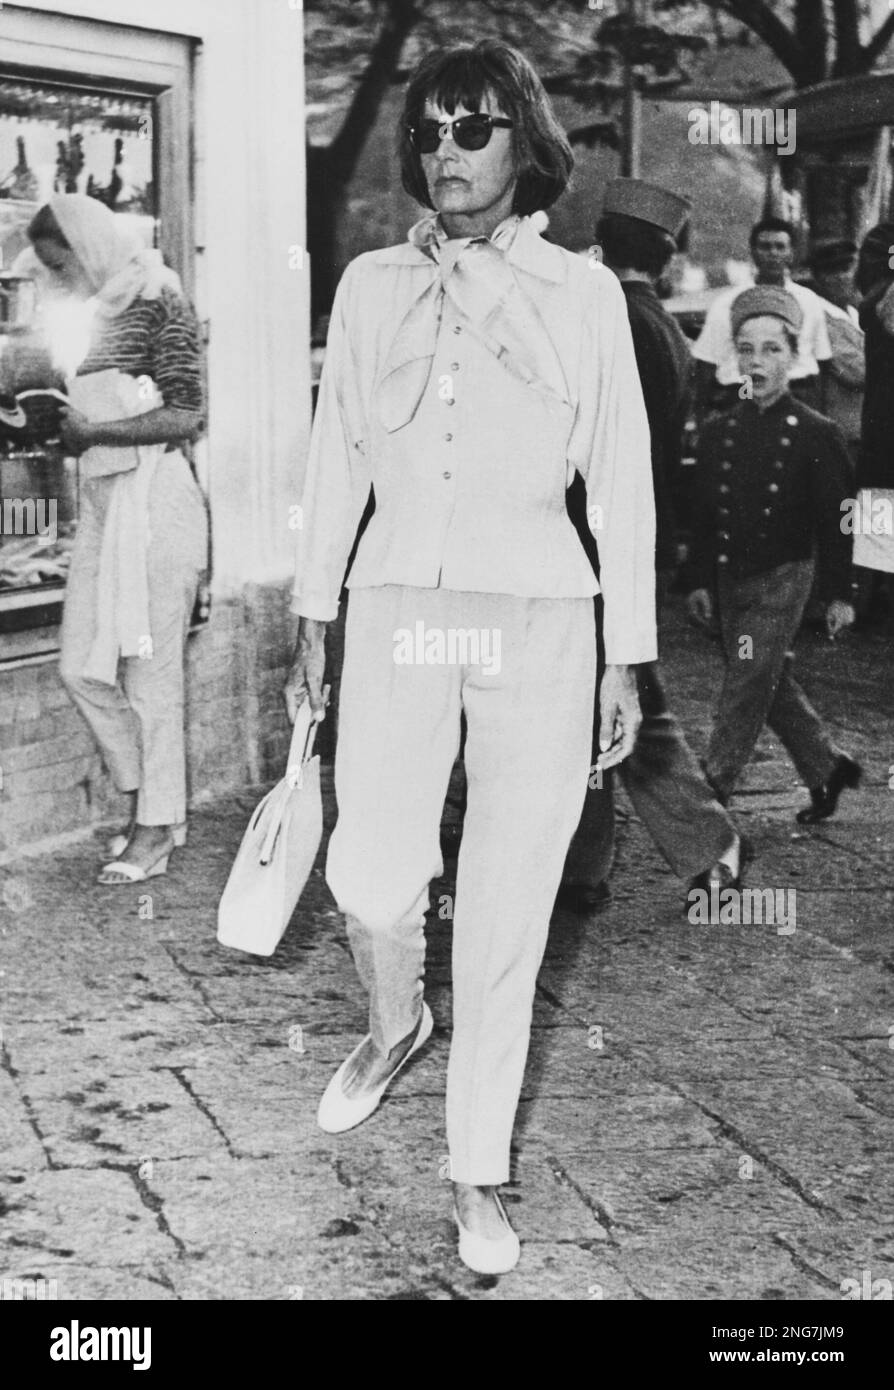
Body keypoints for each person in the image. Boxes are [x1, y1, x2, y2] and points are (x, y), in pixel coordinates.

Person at [283, 40, 656, 1275]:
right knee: (372, 871)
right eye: (432, 132)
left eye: (476, 127)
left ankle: (479, 1173)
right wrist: (312, 615)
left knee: (507, 904)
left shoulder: (583, 292)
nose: (449, 152)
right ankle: (394, 1019)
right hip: (397, 607)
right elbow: (336, 457)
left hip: (543, 614)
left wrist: (626, 656)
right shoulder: (373, 284)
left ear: (524, 142)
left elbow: (622, 485)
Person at [559, 178, 746, 915]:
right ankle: (583, 865)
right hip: (629, 532)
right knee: (583, 698)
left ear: (603, 246)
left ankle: (710, 844)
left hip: (600, 537)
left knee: (629, 695)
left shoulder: (617, 324)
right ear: (666, 260)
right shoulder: (657, 323)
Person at [26, 194, 207, 883]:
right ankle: (149, 801)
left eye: (61, 264)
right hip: (103, 498)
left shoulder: (160, 296)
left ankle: (155, 829)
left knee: (151, 674)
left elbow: (188, 414)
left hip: (156, 501)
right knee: (80, 665)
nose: (59, 278)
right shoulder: (89, 310)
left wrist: (94, 431)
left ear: (90, 246)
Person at [687, 286, 861, 823]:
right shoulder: (719, 432)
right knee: (763, 677)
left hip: (785, 577)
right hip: (730, 577)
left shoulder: (816, 433)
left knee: (745, 682)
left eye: (771, 350)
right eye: (746, 349)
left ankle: (709, 799)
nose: (756, 362)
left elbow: (841, 521)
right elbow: (704, 515)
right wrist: (695, 579)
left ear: (794, 356)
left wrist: (840, 592)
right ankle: (825, 766)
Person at [693, 217, 831, 418]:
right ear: (753, 252)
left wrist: (820, 413)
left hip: (797, 390)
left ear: (791, 253)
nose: (773, 253)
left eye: (780, 247)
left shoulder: (808, 300)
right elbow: (706, 362)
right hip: (745, 389)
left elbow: (822, 360)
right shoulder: (728, 302)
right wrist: (700, 418)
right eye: (765, 247)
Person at [852, 222, 894, 615]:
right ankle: (870, 595)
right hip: (886, 422)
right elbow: (876, 307)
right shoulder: (884, 243)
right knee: (880, 518)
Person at [805, 238, 864, 464]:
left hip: (863, 428)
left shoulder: (853, 313)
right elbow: (858, 372)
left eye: (845, 269)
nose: (841, 278)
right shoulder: (821, 317)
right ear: (818, 278)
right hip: (844, 431)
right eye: (831, 272)